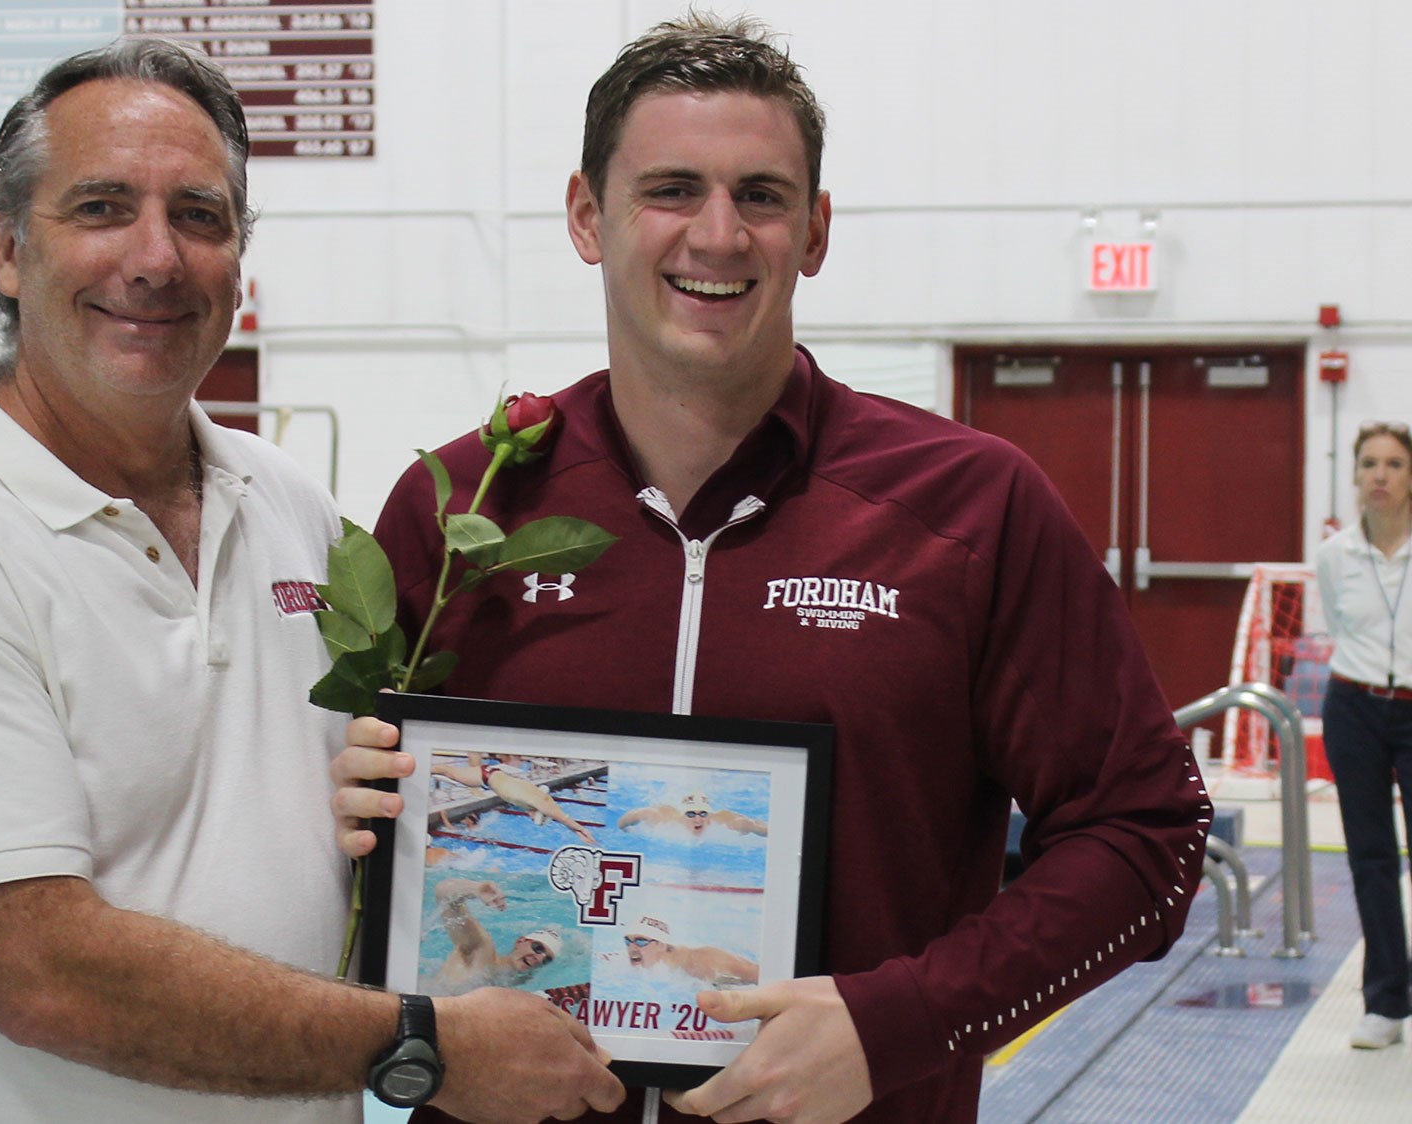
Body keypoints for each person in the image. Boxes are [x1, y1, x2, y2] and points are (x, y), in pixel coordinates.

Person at [331, 14, 1209, 1123]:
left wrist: (902, 1021)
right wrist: (343, 815)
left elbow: (1148, 836)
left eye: (759, 195)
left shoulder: (967, 510)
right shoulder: (467, 505)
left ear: (814, 229)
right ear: (586, 216)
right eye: (670, 190)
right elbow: (341, 850)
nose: (718, 234)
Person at [0, 39, 623, 1124]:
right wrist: (424, 1045)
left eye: (200, 217)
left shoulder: (284, 504)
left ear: (238, 258)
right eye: (102, 208)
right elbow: (41, 971)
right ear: (9, 250)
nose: (156, 258)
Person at [1317, 420, 1412, 1050]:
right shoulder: (1335, 556)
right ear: (1354, 474)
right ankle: (1385, 1002)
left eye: (1395, 464)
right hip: (1354, 707)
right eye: (1370, 463)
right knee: (1371, 857)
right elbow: (1337, 624)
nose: (1381, 475)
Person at [433, 754, 601, 843]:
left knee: (448, 771)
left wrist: (576, 831)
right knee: (447, 771)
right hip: (486, 776)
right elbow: (562, 817)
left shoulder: (532, 802)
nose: (531, 818)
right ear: (539, 812)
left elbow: (554, 811)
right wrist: (581, 831)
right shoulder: (538, 802)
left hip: (493, 775)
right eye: (535, 818)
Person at [432, 878, 563, 991]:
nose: (539, 958)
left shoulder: (516, 982)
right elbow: (443, 891)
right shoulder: (481, 951)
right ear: (521, 941)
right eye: (538, 948)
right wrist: (475, 889)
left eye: (547, 960)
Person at [621, 916, 759, 985]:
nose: (632, 948)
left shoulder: (703, 961)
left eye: (641, 941)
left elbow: (759, 975)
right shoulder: (625, 963)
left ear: (661, 945)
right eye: (628, 941)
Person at [617, 792, 766, 837]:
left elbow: (766, 830)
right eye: (690, 814)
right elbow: (632, 816)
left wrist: (752, 827)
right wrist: (624, 829)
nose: (698, 819)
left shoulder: (723, 821)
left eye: (703, 813)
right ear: (682, 817)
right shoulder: (664, 819)